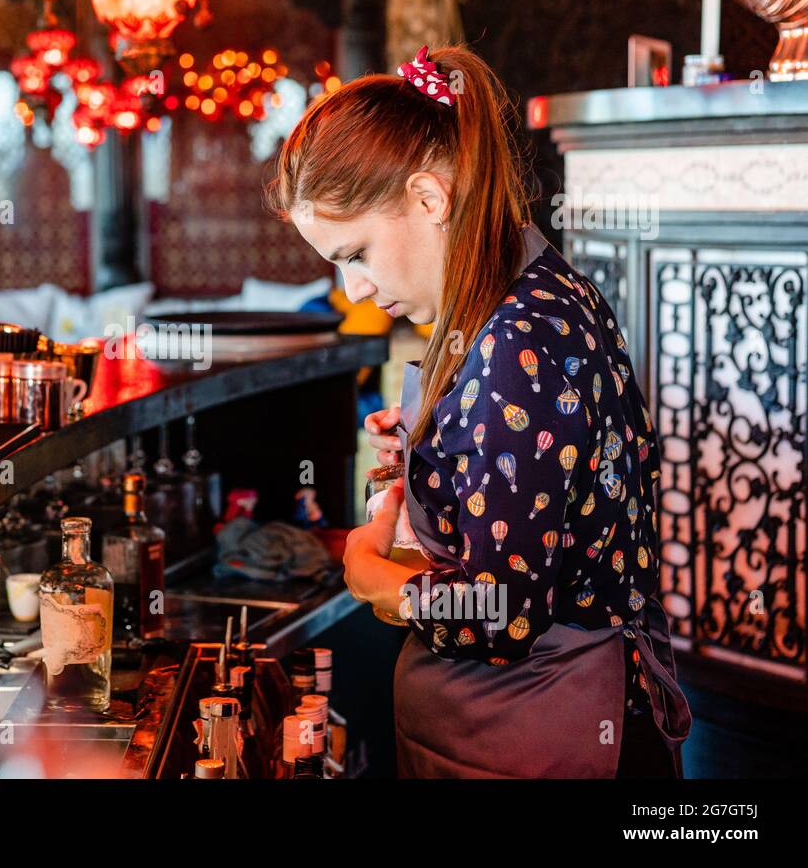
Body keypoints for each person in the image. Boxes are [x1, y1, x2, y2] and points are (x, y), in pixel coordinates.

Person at [266, 45, 691, 778]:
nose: (356, 290)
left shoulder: (512, 344)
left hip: (543, 734)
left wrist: (373, 575)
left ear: (430, 199)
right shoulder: (528, 280)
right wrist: (427, 455)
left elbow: (498, 616)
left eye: (357, 252)